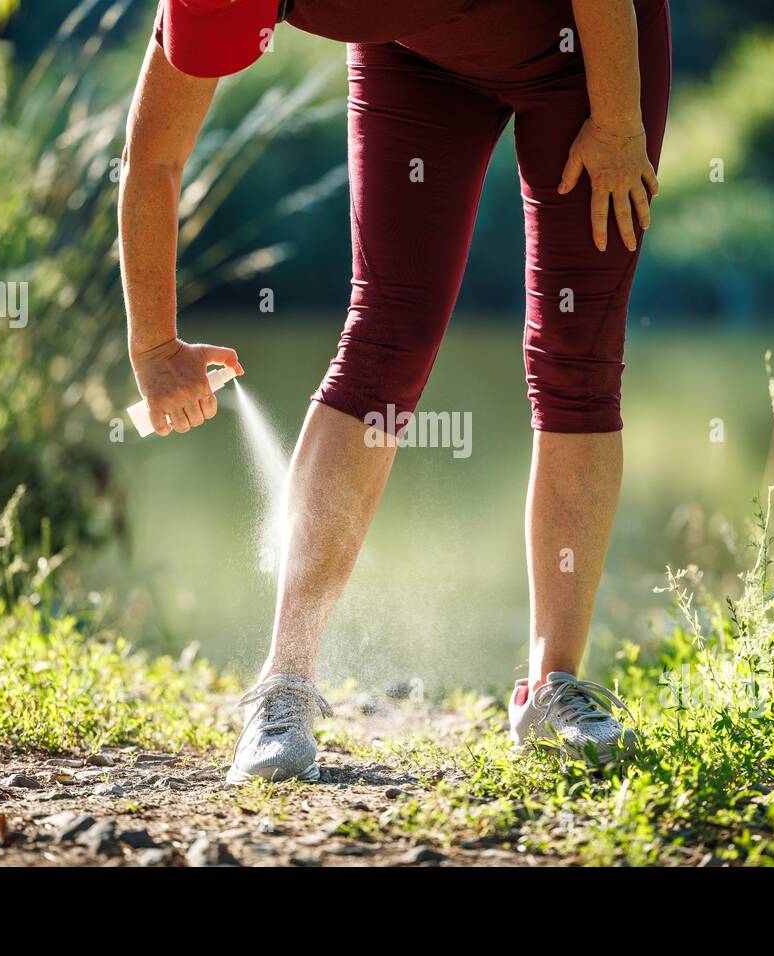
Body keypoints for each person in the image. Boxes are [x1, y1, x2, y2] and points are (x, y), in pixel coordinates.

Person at [120, 0, 672, 782]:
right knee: (384, 339)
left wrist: (618, 119)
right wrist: (152, 344)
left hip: (583, 47)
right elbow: (154, 160)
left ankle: (553, 686)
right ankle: (284, 686)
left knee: (576, 358)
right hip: (411, 54)